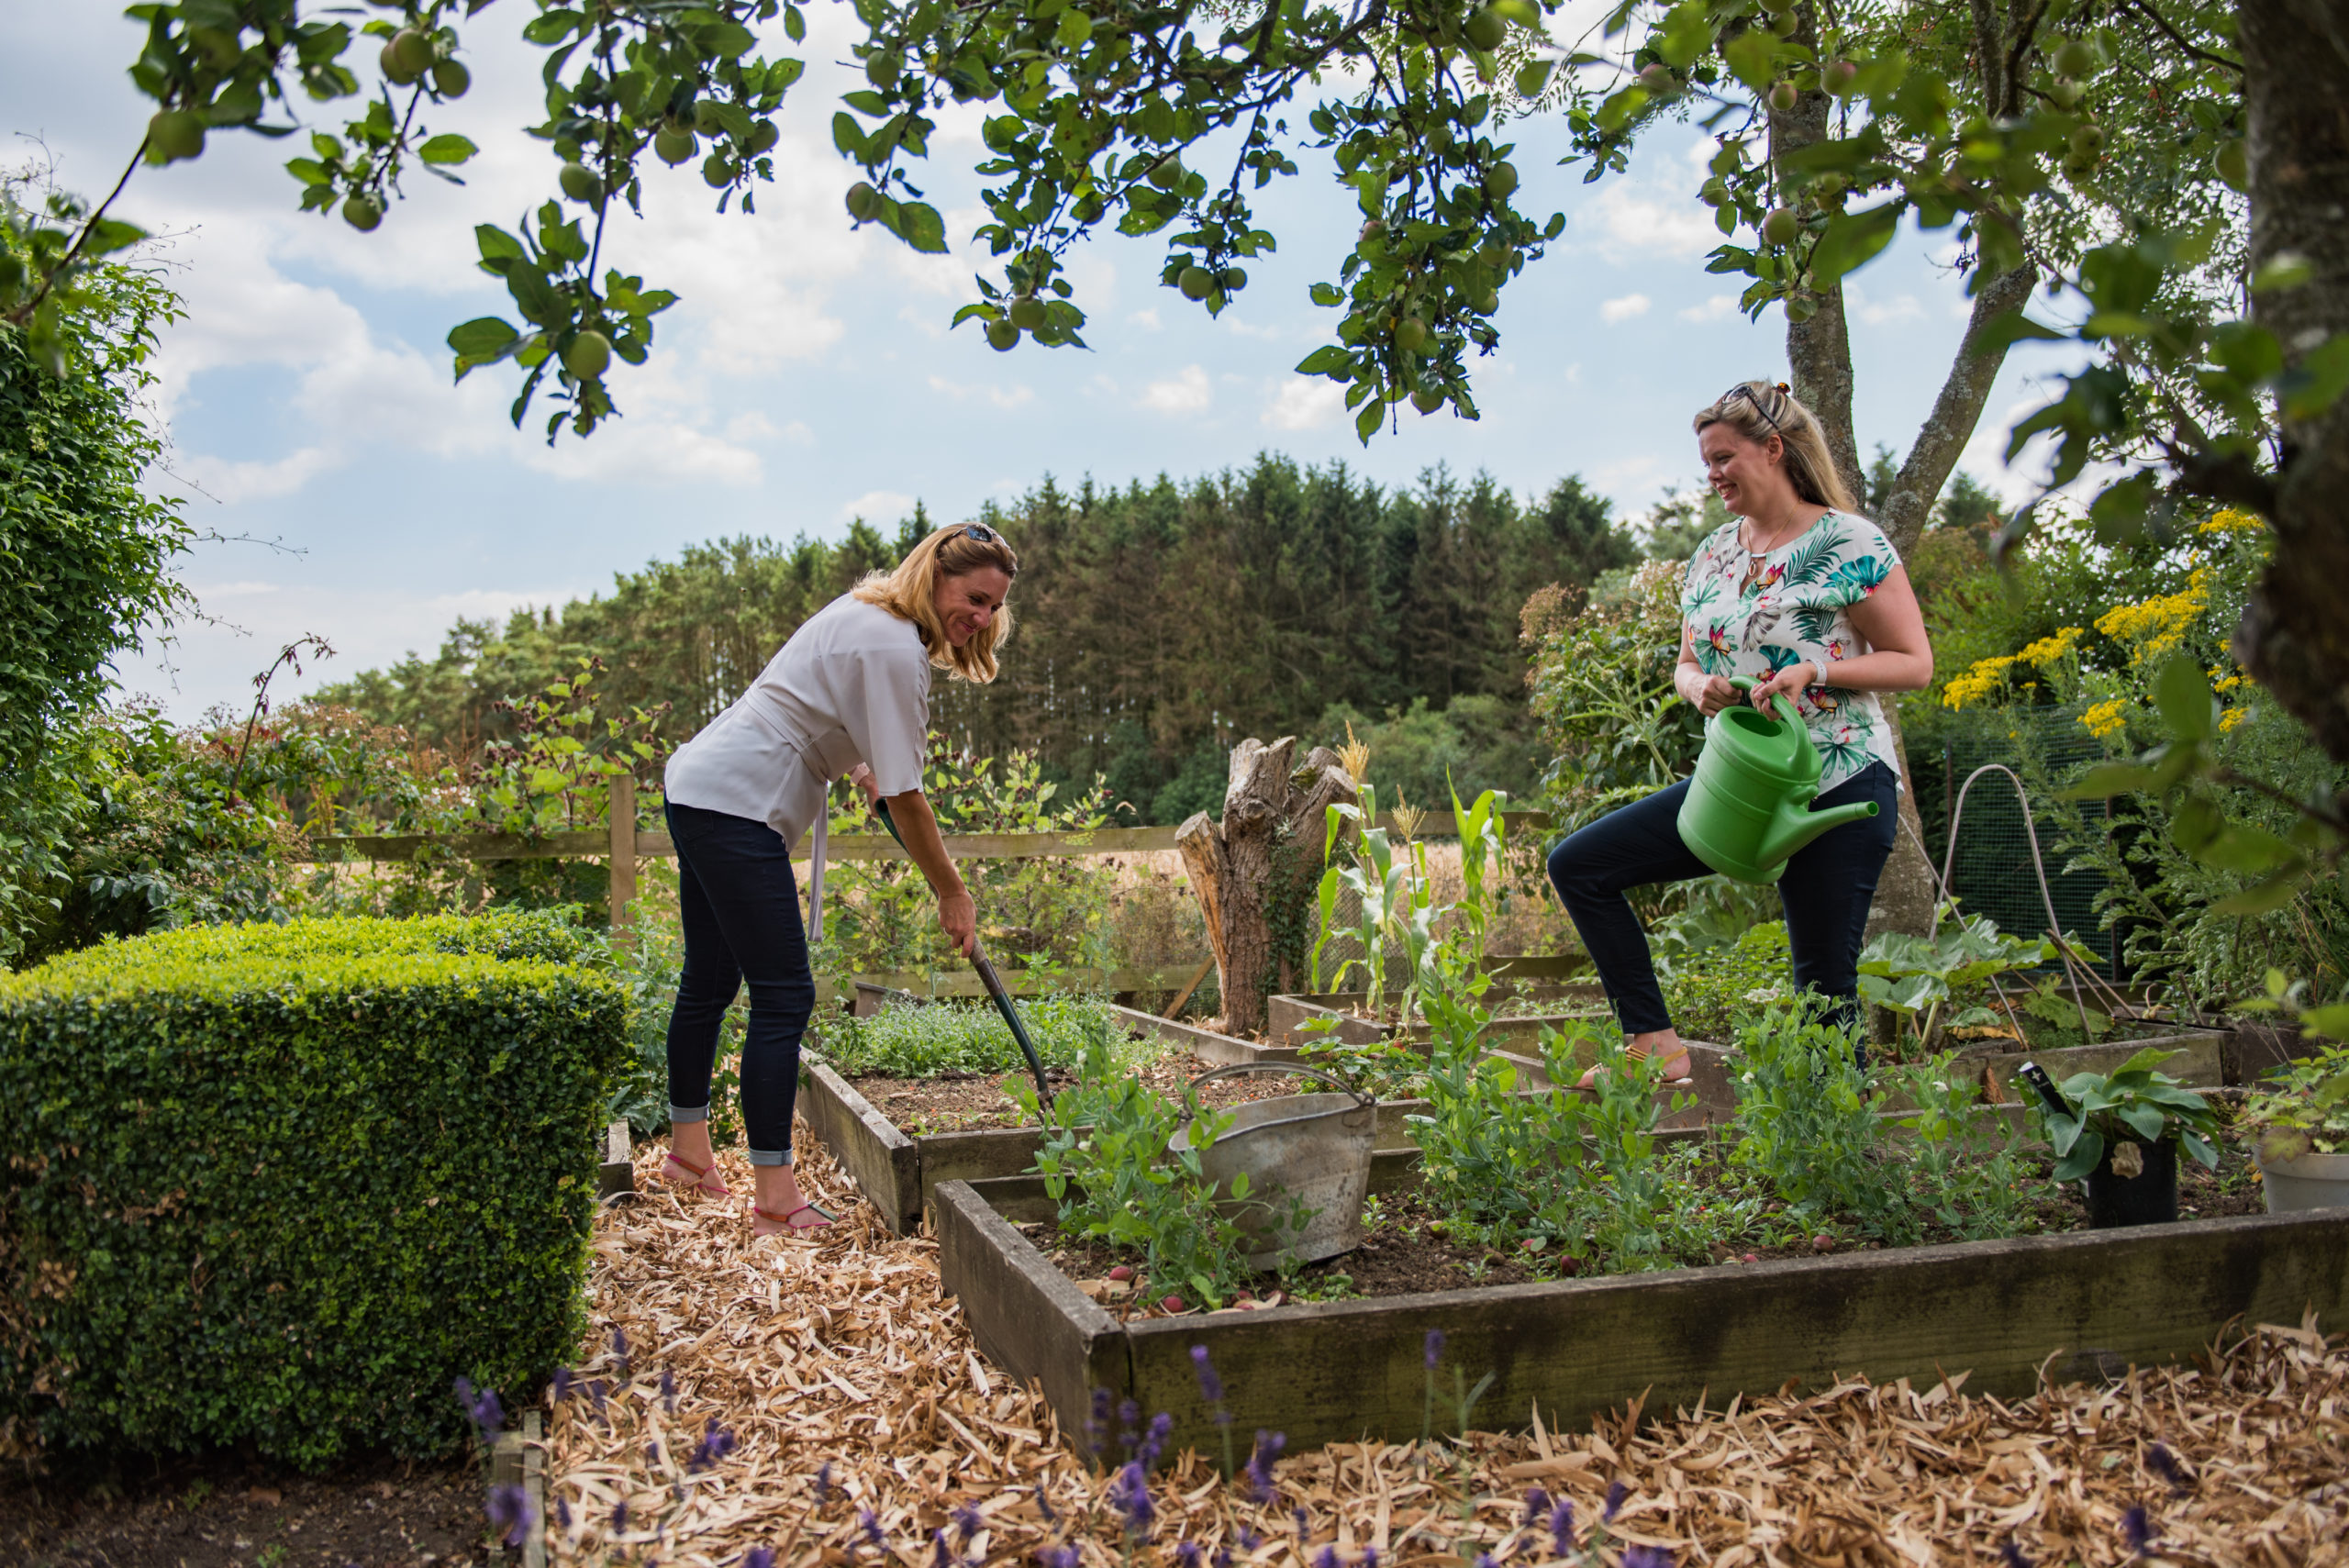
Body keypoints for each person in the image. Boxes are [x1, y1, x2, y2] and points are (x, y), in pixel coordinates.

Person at [1546, 381, 1933, 1081]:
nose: (1714, 474)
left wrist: (1814, 671)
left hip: (1836, 785)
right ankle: (1654, 1045)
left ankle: (1841, 1154)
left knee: (1821, 984)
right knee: (1581, 864)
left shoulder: (1849, 541)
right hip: (1738, 784)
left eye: (1724, 457)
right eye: (1707, 464)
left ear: (1774, 449)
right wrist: (1702, 689)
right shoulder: (1714, 554)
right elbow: (1686, 663)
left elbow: (1915, 663)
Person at [655, 522, 1018, 1232]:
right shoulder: (893, 647)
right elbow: (909, 796)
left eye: (991, 609)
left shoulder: (866, 613)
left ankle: (690, 1154)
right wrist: (952, 888)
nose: (978, 618)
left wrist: (857, 764)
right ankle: (775, 1199)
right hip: (739, 805)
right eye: (972, 598)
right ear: (934, 575)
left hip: (700, 787)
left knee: (708, 981)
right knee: (784, 995)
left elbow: (816, 702)